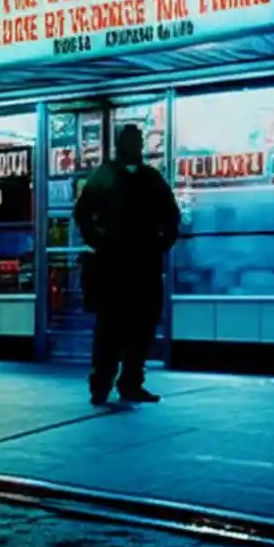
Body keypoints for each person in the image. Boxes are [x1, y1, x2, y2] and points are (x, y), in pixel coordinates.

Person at [73, 124, 181, 405]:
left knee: (138, 329)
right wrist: (101, 241)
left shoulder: (138, 177)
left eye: (138, 141)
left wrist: (161, 242)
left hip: (136, 263)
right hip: (121, 265)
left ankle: (125, 383)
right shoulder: (118, 177)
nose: (137, 146)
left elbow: (171, 216)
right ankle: (105, 383)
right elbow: (83, 214)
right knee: (113, 329)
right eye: (132, 142)